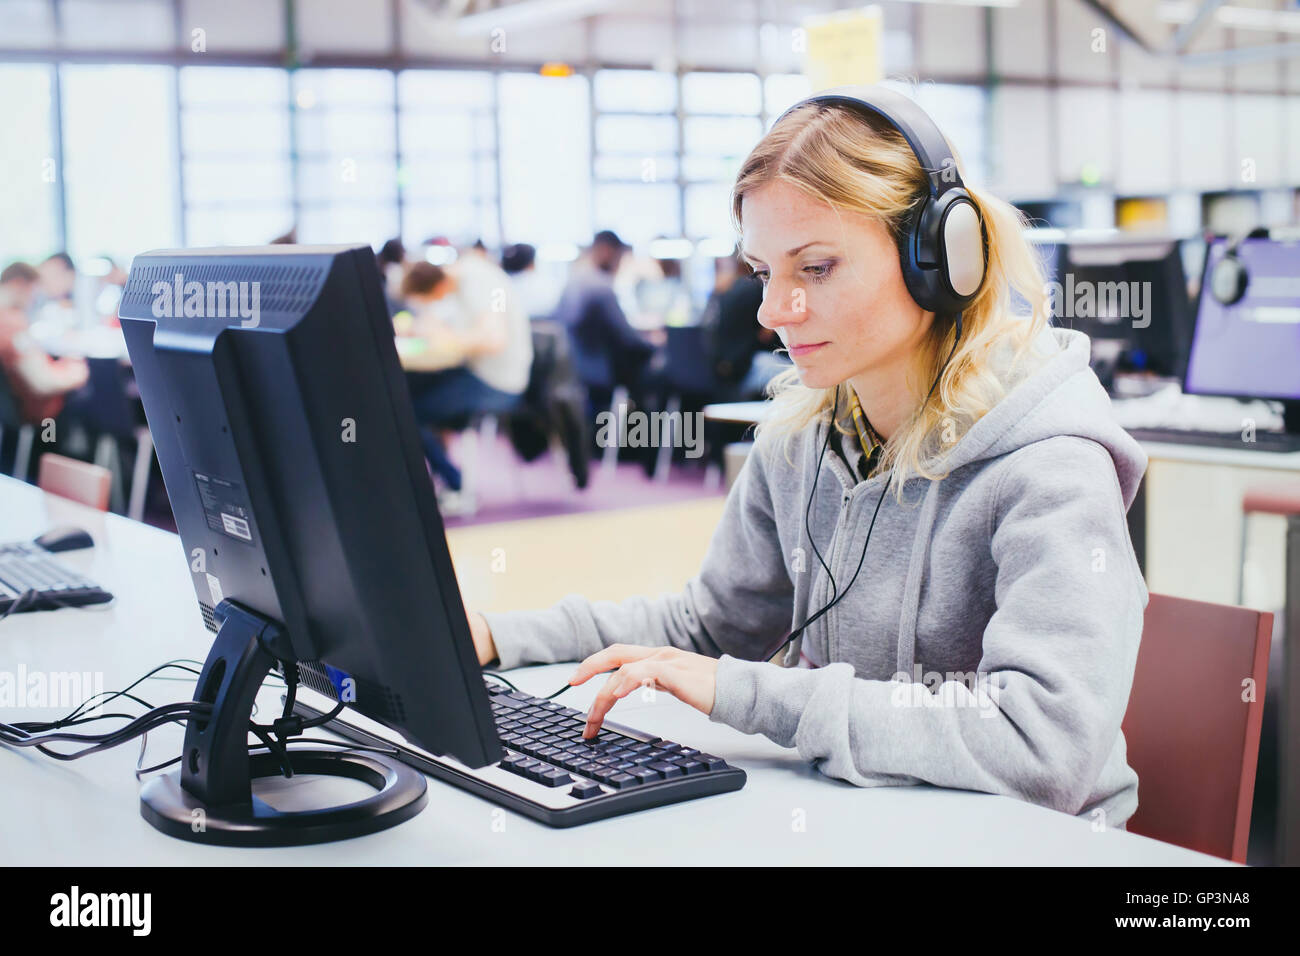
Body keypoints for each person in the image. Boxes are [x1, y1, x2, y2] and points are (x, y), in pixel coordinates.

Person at [464, 89, 1149, 828]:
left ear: (938, 259)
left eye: (815, 267)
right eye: (763, 271)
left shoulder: (1051, 463)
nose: (770, 312)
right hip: (872, 821)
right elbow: (712, 627)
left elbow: (1042, 748)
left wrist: (753, 694)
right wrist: (502, 637)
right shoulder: (804, 434)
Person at [400, 254, 532, 503]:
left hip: (498, 381)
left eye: (431, 299)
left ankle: (457, 486)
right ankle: (447, 481)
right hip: (479, 373)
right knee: (407, 393)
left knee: (407, 411)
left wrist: (446, 338)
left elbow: (494, 340)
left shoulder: (479, 282)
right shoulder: (464, 280)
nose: (436, 303)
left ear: (438, 287)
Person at [550, 230, 657, 417]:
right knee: (656, 376)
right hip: (600, 372)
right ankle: (650, 440)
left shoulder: (573, 282)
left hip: (574, 369)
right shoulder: (601, 287)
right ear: (608, 252)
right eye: (619, 258)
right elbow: (628, 339)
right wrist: (654, 345)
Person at [0, 262, 89, 424]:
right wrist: (78, 373)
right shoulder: (12, 324)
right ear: (19, 284)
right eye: (32, 291)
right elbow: (42, 383)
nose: (33, 299)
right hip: (39, 416)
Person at [703, 249, 789, 399]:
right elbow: (766, 335)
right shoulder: (755, 289)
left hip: (722, 373)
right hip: (745, 369)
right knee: (797, 378)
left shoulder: (721, 290)